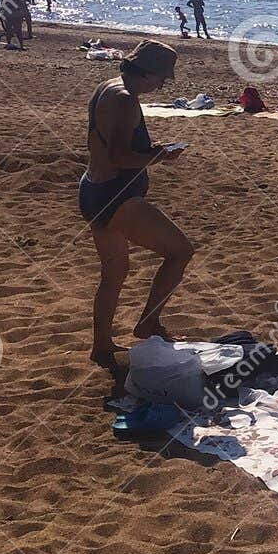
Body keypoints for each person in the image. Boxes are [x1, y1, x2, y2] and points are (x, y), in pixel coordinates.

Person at [80, 41, 193, 373]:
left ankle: (101, 346)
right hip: (117, 196)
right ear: (146, 74)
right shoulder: (127, 101)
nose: (161, 86)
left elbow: (107, 143)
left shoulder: (108, 87)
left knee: (113, 275)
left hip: (92, 189)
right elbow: (119, 156)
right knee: (180, 252)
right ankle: (148, 322)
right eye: (161, 79)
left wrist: (149, 150)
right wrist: (159, 156)